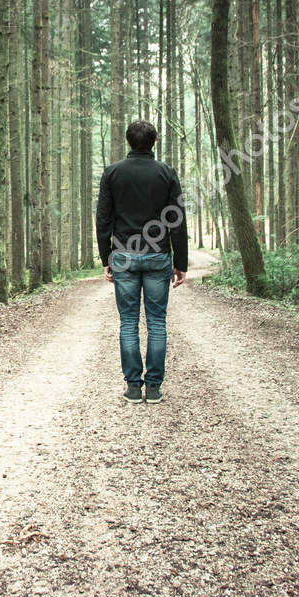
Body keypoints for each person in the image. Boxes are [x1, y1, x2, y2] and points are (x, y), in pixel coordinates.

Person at [95, 120, 188, 404]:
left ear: (128, 142)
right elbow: (177, 220)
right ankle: (155, 387)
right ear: (154, 142)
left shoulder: (112, 173)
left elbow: (103, 220)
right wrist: (180, 261)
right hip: (158, 255)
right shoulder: (166, 173)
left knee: (128, 322)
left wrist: (105, 258)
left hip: (123, 255)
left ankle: (134, 386)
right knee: (157, 323)